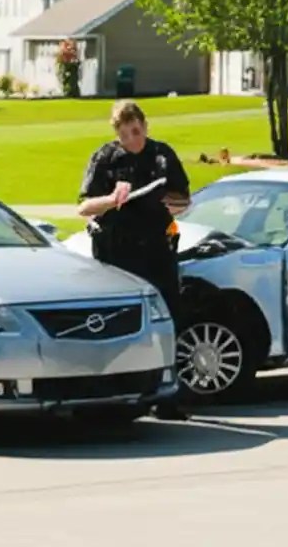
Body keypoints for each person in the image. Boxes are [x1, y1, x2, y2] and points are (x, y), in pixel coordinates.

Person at [77, 99, 192, 421]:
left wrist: (170, 201)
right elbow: (84, 207)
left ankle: (167, 397)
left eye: (136, 131)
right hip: (116, 252)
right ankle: (112, 396)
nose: (132, 140)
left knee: (168, 320)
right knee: (117, 322)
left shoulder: (162, 156)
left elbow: (184, 199)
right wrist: (112, 199)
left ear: (145, 125)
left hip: (156, 249)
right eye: (125, 134)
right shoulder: (106, 159)